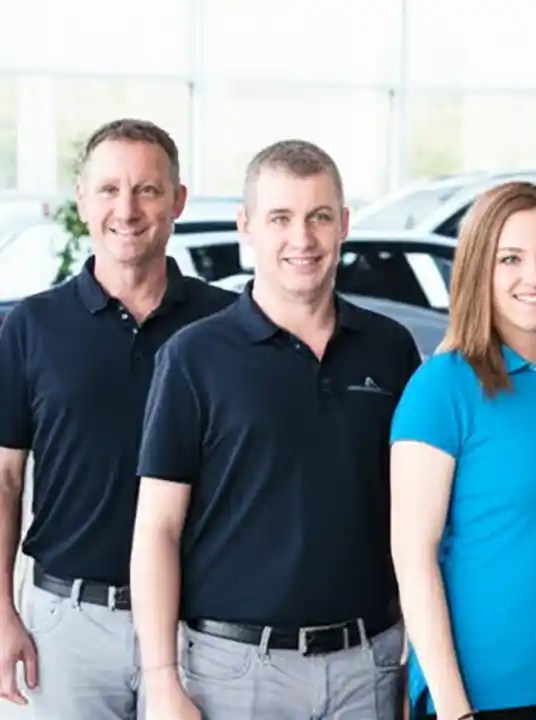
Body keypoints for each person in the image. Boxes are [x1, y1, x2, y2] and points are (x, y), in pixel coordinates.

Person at [131, 139, 420, 720]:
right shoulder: (194, 357)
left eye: (318, 217)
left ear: (343, 224)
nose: (302, 239)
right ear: (248, 226)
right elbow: (157, 527)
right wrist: (162, 679)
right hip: (235, 672)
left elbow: (414, 513)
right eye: (280, 218)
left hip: (368, 663)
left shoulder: (390, 350)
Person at [0, 119, 233, 719]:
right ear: (82, 200)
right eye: (108, 189)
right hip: (67, 626)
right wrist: (1, 610)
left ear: (178, 200)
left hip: (201, 627)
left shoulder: (227, 328)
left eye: (148, 190)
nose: (126, 209)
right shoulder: (32, 326)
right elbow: (4, 480)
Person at [391, 181, 536, 720]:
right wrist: (453, 709)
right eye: (511, 259)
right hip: (484, 695)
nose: (534, 278)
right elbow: (413, 557)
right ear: (479, 269)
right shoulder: (442, 387)